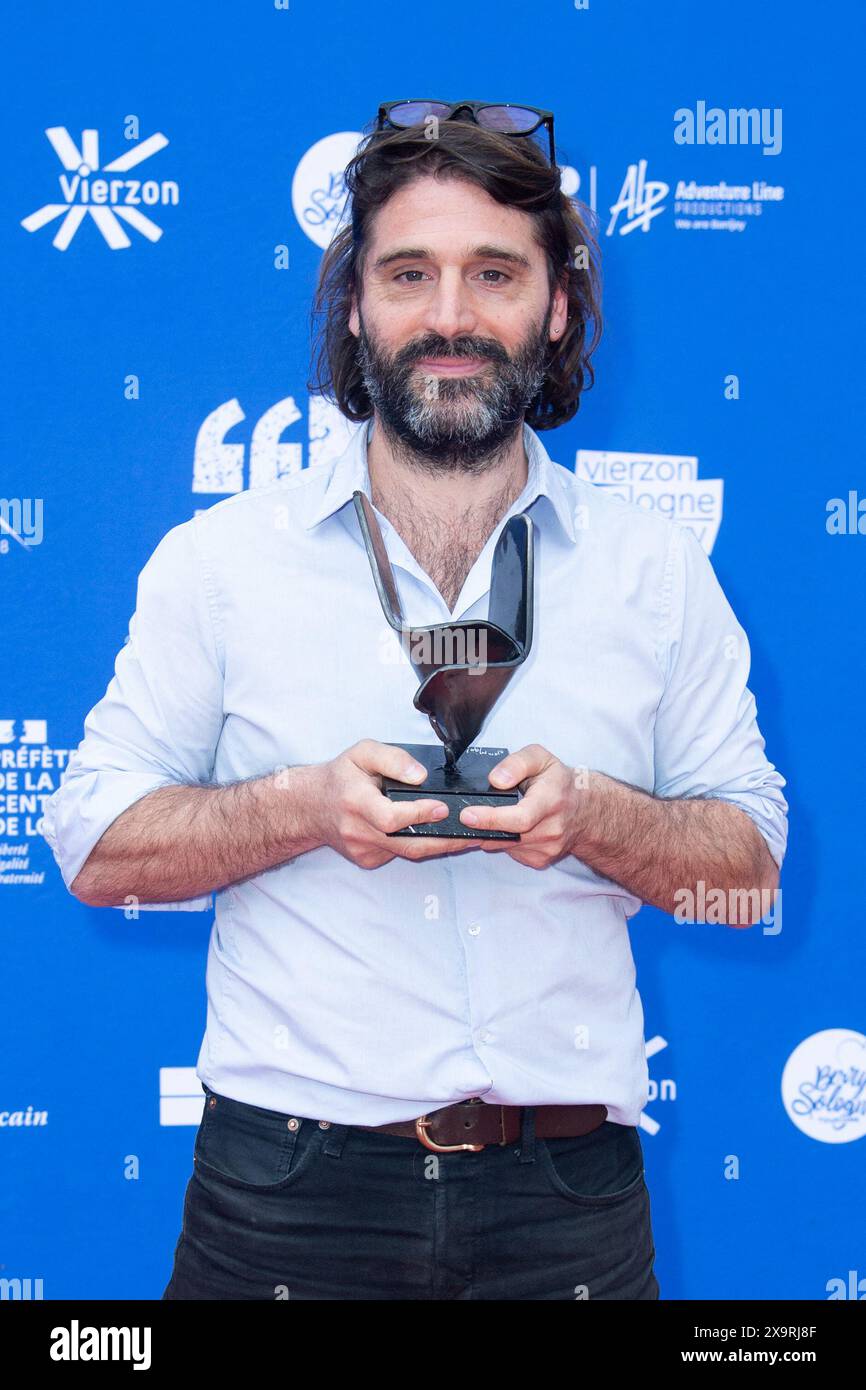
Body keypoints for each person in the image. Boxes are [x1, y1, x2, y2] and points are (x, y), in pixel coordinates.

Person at [42, 101, 787, 1301]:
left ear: (554, 306)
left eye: (493, 273)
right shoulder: (221, 560)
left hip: (568, 1207)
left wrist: (593, 815)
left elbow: (746, 875)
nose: (449, 316)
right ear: (355, 307)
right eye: (408, 274)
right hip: (284, 1199)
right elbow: (91, 845)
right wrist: (299, 808)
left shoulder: (654, 570)